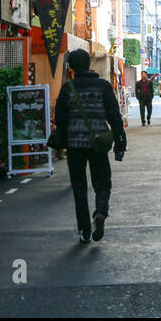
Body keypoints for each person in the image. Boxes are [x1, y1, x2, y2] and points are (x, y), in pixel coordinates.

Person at [51, 49, 127, 243]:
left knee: (79, 186)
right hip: (98, 142)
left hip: (75, 145)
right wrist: (119, 138)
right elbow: (114, 115)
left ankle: (84, 229)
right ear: (89, 64)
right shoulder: (103, 85)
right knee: (102, 182)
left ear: (72, 68)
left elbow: (59, 118)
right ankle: (100, 213)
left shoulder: (68, 88)